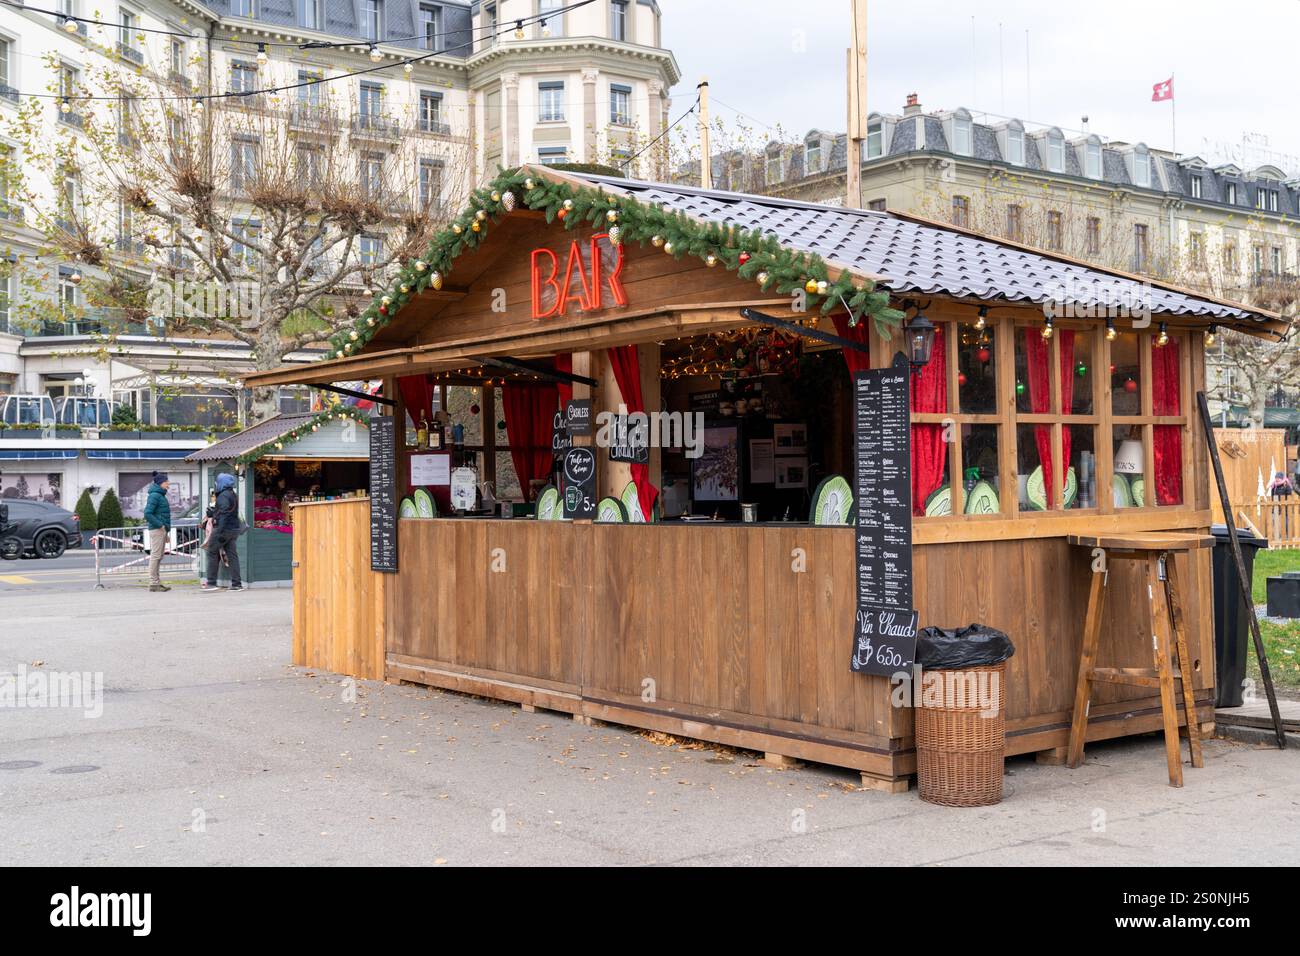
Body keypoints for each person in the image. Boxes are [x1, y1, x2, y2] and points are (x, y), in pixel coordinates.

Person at [203, 473, 243, 592]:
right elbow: (227, 511)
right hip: (233, 529)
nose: (216, 484)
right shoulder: (232, 494)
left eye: (217, 481)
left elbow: (225, 513)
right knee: (232, 556)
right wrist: (213, 513)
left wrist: (219, 531)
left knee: (211, 552)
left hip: (223, 529)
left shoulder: (223, 496)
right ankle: (237, 584)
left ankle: (211, 582)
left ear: (222, 483)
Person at [143, 471, 172, 592]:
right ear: (160, 483)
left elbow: (160, 514)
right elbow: (147, 513)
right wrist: (160, 526)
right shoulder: (155, 495)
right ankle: (154, 583)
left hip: (160, 529)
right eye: (166, 482)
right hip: (157, 529)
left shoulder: (159, 495)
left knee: (158, 556)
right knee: (155, 556)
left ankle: (156, 582)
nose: (168, 484)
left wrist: (166, 531)